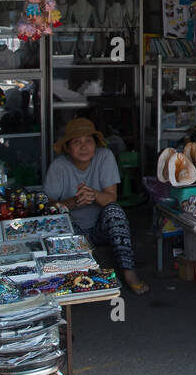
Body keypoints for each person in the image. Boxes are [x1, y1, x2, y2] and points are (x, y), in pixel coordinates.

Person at [44, 118, 148, 295]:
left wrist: (93, 195)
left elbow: (111, 198)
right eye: (76, 142)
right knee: (53, 221)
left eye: (88, 141)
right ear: (67, 147)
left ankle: (130, 274)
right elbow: (49, 206)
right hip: (73, 231)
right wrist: (75, 201)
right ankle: (74, 279)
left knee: (115, 211)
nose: (83, 146)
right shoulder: (59, 166)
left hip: (100, 230)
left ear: (95, 144)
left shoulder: (104, 156)